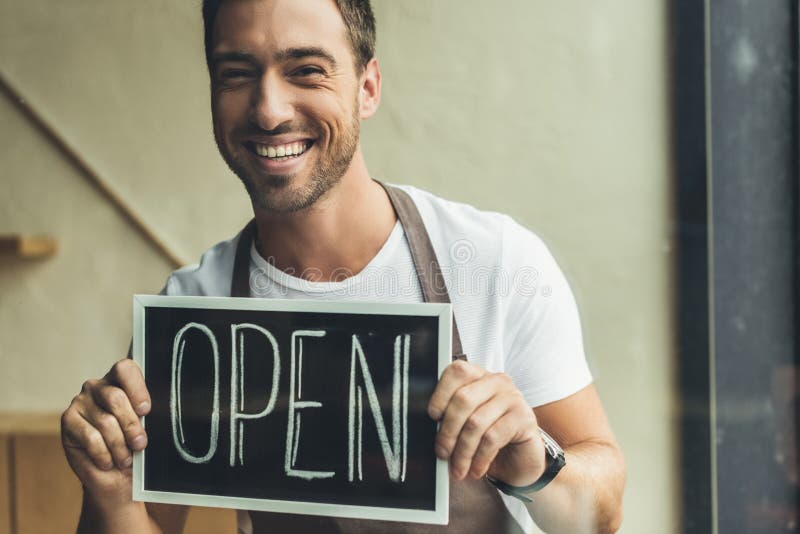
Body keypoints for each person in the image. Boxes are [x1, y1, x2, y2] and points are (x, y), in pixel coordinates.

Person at [60, 0, 626, 532]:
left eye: (306, 70)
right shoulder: (188, 314)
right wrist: (110, 491)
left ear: (368, 87)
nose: (269, 109)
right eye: (236, 73)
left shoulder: (496, 263)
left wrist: (534, 462)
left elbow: (599, 517)